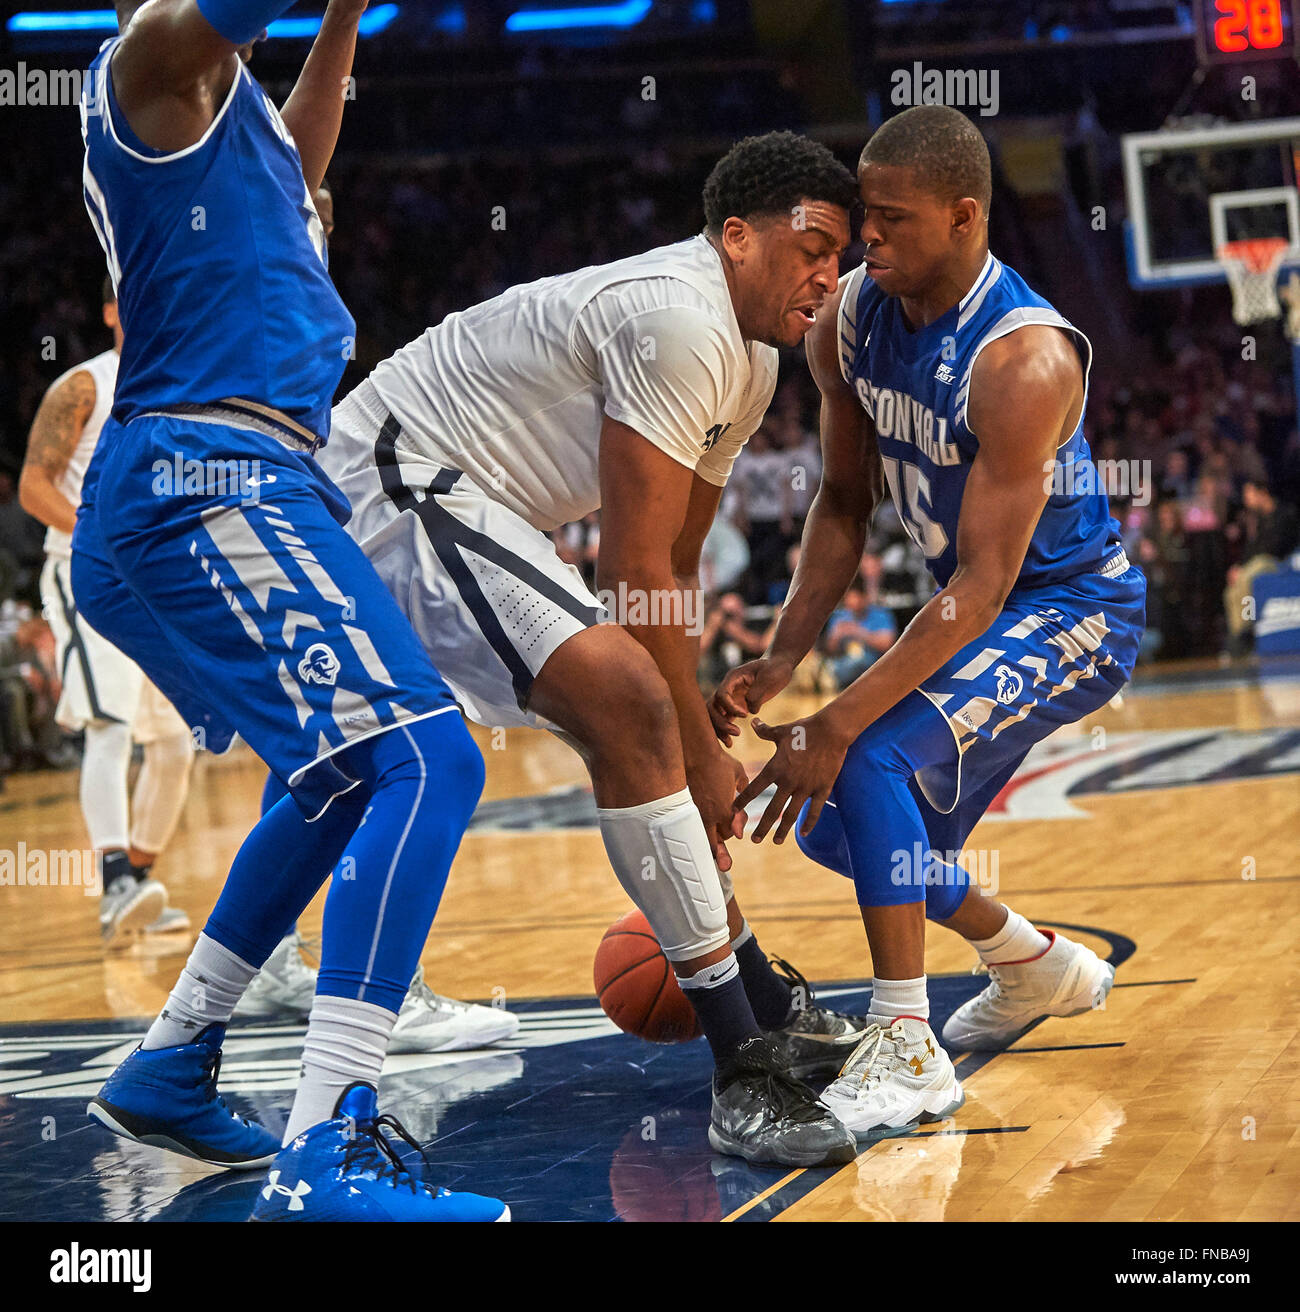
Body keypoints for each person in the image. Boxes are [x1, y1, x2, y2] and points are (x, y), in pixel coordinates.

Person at [320, 131, 864, 1167]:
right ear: (736, 238)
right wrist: (695, 754)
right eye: (811, 250)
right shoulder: (676, 315)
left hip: (479, 500)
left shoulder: (747, 361)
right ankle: (744, 1062)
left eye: (840, 260)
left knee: (643, 716)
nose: (826, 279)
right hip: (391, 477)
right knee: (627, 704)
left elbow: (680, 549)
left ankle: (750, 995)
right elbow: (630, 560)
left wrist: (703, 720)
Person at [76, 0, 505, 1220]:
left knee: (331, 780)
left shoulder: (233, 121)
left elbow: (304, 152)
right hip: (207, 471)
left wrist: (345, 20)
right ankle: (328, 1149)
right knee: (428, 761)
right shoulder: (148, 55)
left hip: (236, 471)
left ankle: (172, 1059)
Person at [713, 105, 1145, 1138]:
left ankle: (907, 1046)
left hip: (1070, 607)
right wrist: (783, 655)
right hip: (980, 603)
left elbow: (985, 587)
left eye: (892, 221)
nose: (867, 239)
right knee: (837, 831)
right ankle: (1031, 961)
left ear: (962, 217)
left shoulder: (1022, 360)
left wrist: (836, 720)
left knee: (863, 762)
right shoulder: (853, 317)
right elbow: (844, 506)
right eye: (864, 216)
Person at [19, 278, 194, 943]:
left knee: (176, 743)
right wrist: (103, 544)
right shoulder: (83, 387)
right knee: (110, 724)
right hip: (85, 571)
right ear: (112, 311)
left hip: (158, 583)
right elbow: (35, 487)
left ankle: (138, 882)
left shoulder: (182, 387)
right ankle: (115, 878)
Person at [822, 556, 896, 688]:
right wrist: (836, 636)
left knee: (861, 661)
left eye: (856, 600)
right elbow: (829, 649)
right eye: (848, 601)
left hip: (873, 663)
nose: (852, 605)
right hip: (844, 660)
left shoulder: (880, 614)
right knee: (830, 663)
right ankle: (827, 676)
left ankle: (829, 677)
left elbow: (887, 643)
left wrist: (859, 633)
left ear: (864, 598)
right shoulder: (840, 617)